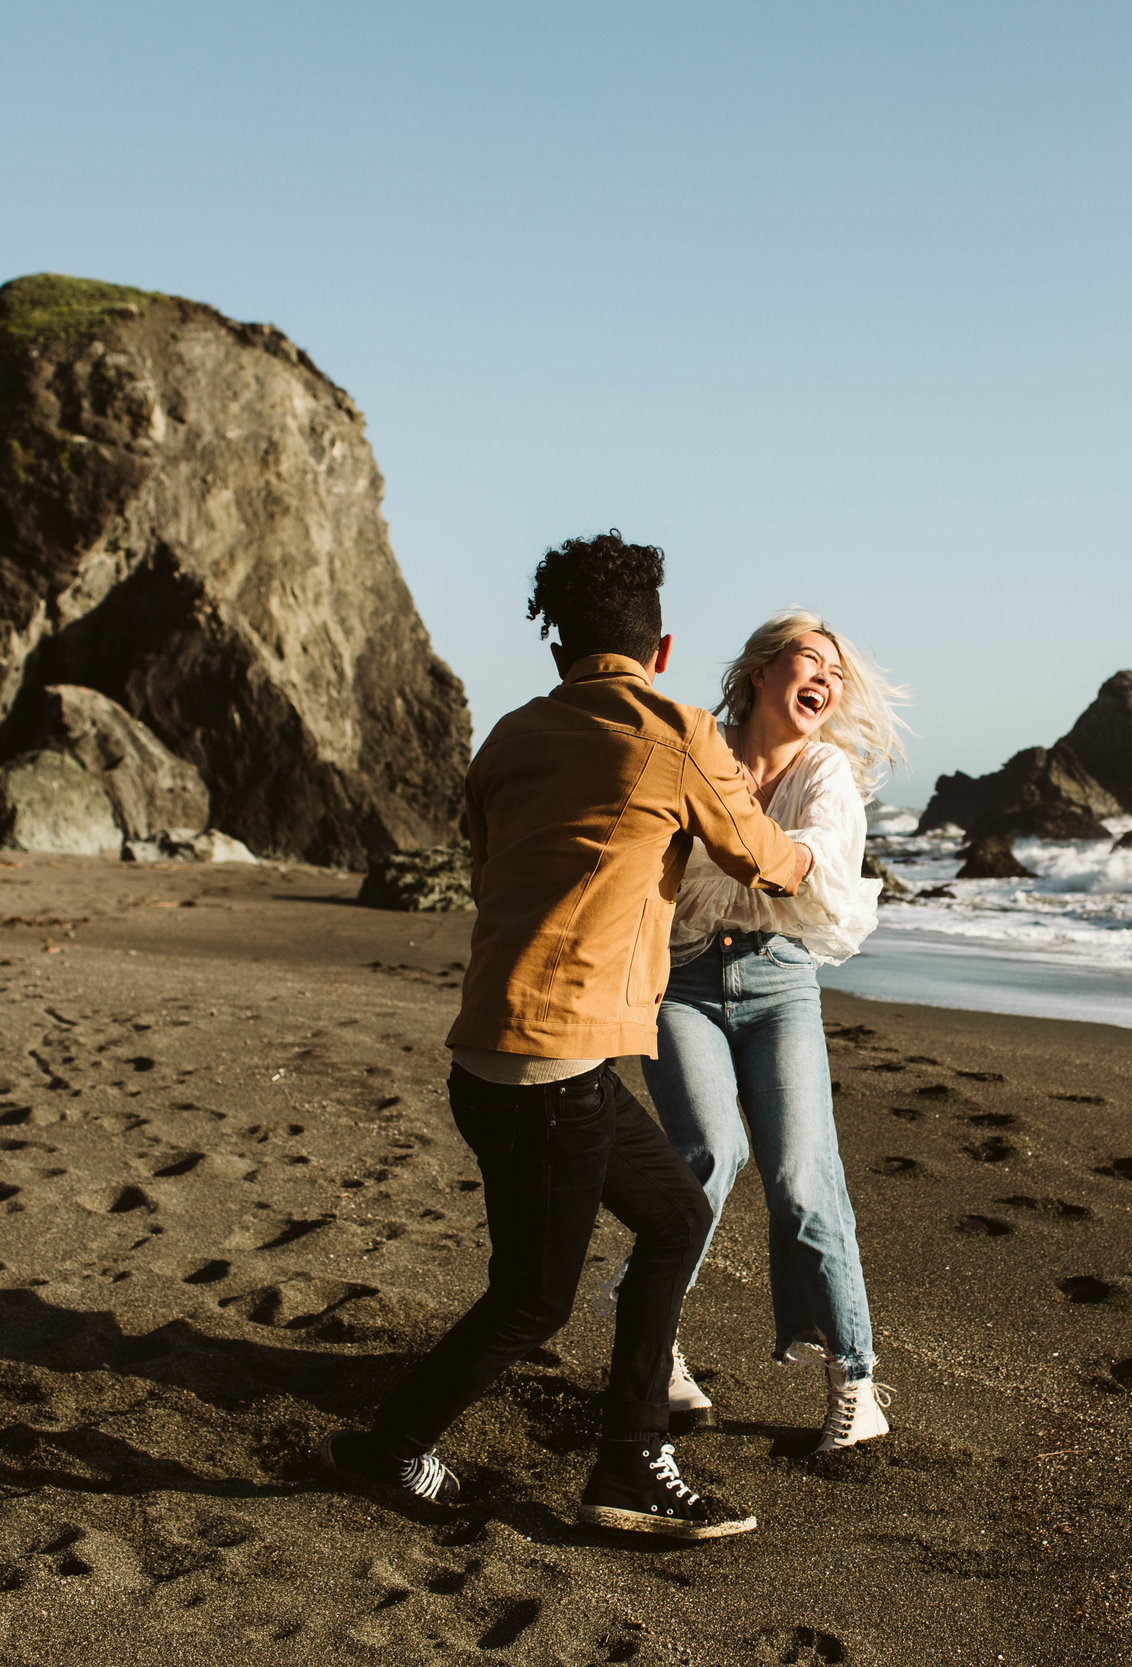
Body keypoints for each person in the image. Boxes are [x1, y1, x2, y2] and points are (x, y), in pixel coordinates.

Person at [318, 532, 815, 1540]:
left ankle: (629, 1451)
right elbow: (767, 860)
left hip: (492, 1056)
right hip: (552, 1073)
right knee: (531, 1300)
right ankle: (400, 1447)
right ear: (662, 650)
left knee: (673, 1215)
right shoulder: (676, 731)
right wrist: (822, 845)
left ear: (558, 652)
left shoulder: (509, 736)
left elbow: (491, 868)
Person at [639, 609, 907, 1453]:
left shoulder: (826, 771)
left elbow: (814, 857)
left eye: (836, 671)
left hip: (778, 981)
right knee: (708, 1152)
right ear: (761, 672)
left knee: (801, 1177)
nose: (825, 677)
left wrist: (730, 833)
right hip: (682, 980)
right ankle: (653, 1353)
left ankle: (855, 1382)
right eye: (810, 659)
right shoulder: (699, 748)